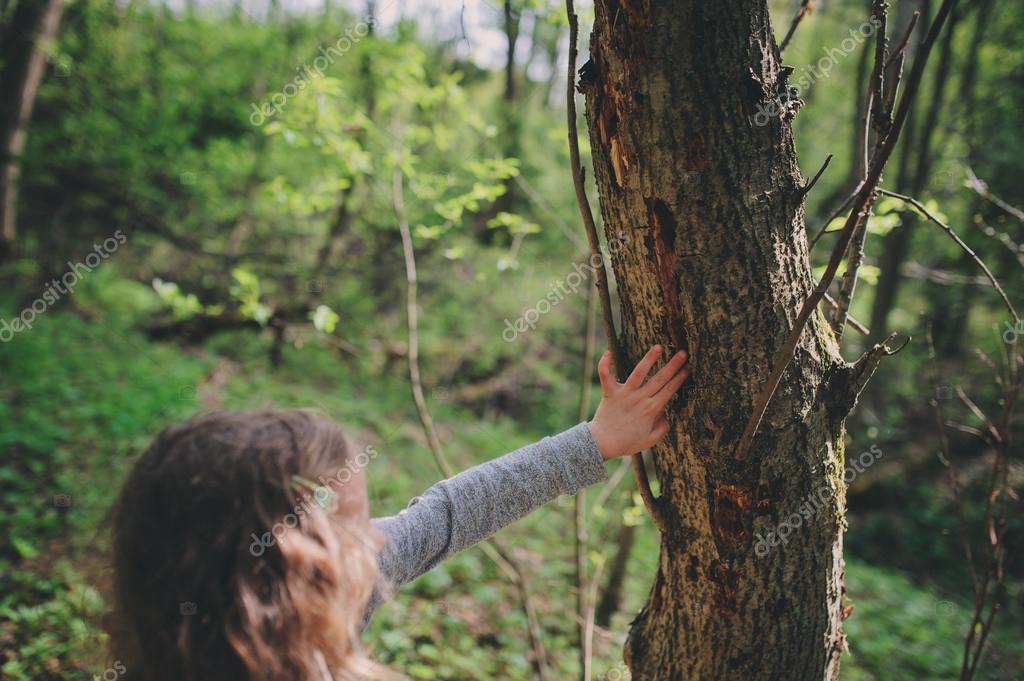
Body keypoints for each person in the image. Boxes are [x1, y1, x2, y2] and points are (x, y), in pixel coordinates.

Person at [104, 345, 690, 680]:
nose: (382, 541)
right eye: (354, 531)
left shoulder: (341, 583)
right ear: (288, 586)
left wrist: (595, 441)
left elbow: (448, 513)